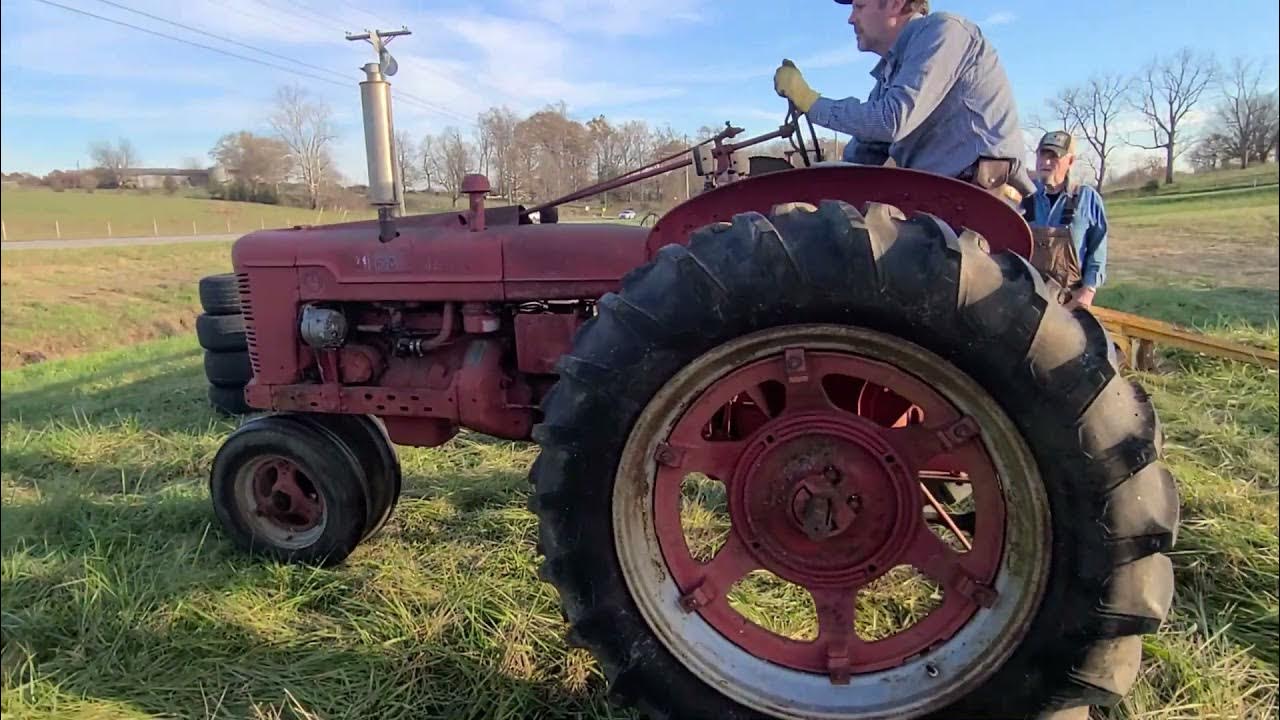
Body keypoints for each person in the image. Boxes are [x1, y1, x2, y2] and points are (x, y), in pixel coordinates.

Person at [772, 0, 1027, 189]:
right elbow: (863, 155)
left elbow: (891, 121)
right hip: (939, 198)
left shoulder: (944, 31)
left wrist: (810, 100)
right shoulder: (891, 75)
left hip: (978, 201)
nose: (851, 18)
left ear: (895, 3)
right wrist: (814, 179)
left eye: (859, 6)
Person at [1021, 130, 1109, 309]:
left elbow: (1098, 249)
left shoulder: (1087, 198)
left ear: (1070, 161)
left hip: (1069, 302)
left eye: (1053, 157)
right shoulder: (1024, 195)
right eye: (1042, 155)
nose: (1045, 162)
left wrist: (1088, 291)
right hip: (1027, 297)